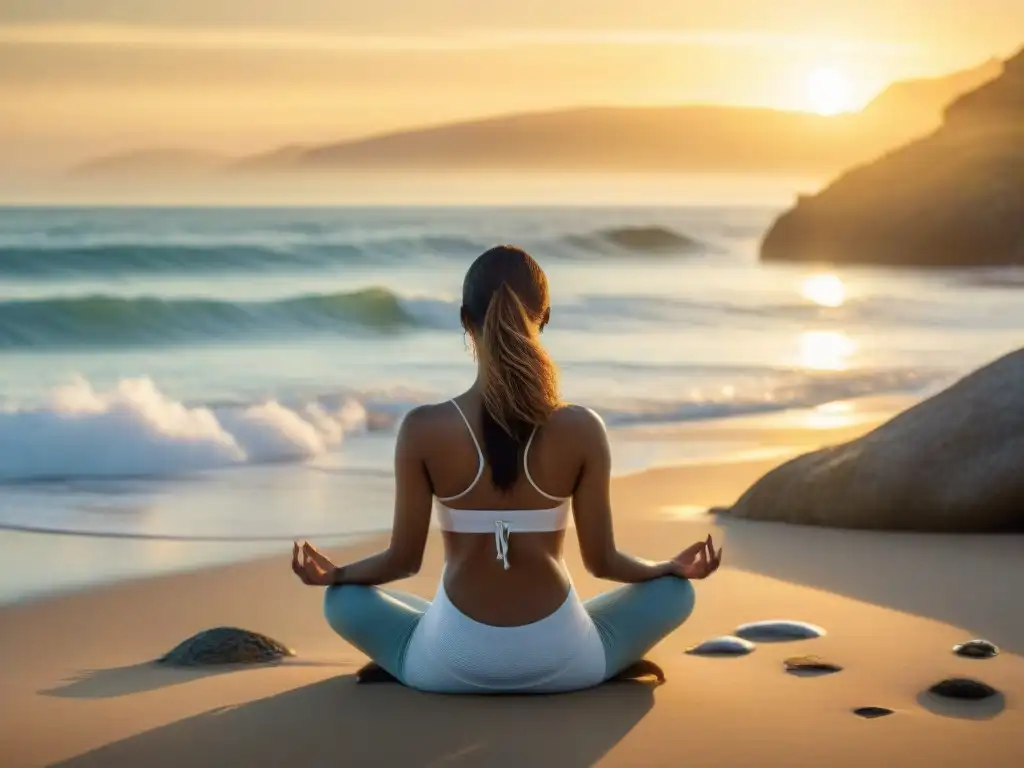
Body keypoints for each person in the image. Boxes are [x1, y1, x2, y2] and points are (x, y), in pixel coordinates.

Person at [291, 245, 722, 693]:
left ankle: (409, 655)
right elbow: (603, 562)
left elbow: (403, 561)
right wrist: (666, 566)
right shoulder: (582, 428)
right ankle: (603, 656)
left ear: (465, 320)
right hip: (566, 661)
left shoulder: (423, 428)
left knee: (343, 600)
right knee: (675, 591)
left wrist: (336, 575)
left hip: (447, 665)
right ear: (546, 317)